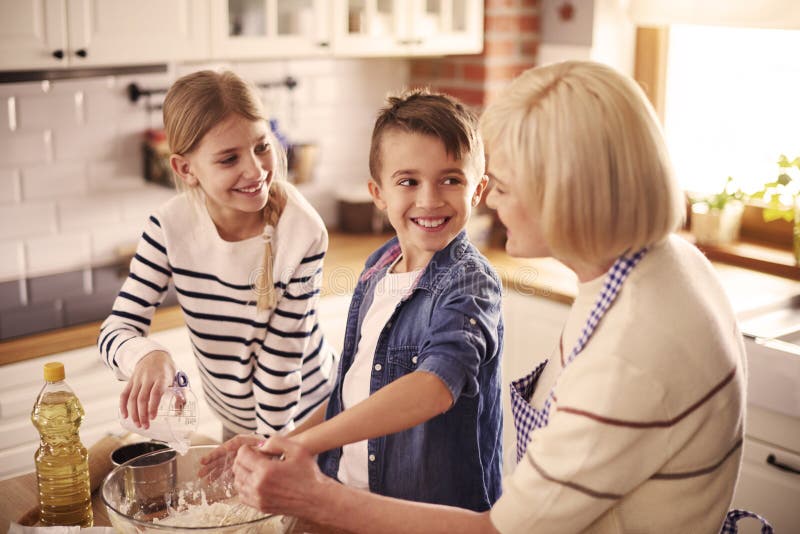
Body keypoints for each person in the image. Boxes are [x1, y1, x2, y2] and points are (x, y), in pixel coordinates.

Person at [229, 61, 754, 533]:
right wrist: (291, 445)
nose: (491, 198)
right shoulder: (663, 264)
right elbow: (358, 384)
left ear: (565, 190)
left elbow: (499, 533)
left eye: (500, 182)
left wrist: (317, 497)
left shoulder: (631, 353)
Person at [204, 88, 504, 511]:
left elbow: (433, 388)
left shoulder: (470, 285)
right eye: (408, 181)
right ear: (378, 194)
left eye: (451, 179)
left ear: (477, 191)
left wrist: (306, 443)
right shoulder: (378, 267)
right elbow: (351, 390)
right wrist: (283, 443)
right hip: (350, 503)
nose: (430, 199)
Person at [98, 70, 337, 441]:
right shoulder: (169, 227)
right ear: (185, 169)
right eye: (229, 159)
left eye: (262, 146)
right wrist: (147, 355)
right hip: (237, 421)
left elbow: (280, 363)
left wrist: (273, 449)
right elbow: (116, 329)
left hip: (309, 420)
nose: (255, 170)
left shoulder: (302, 230)